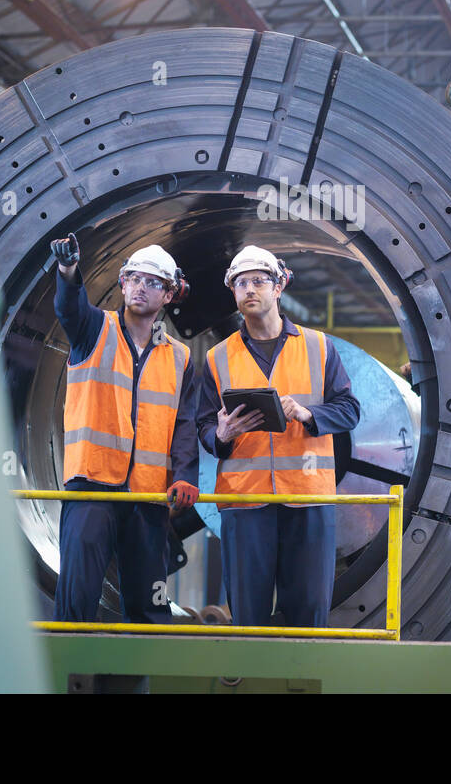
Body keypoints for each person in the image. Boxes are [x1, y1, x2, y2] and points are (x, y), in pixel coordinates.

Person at [198, 245, 360, 627]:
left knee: (307, 611)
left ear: (279, 287)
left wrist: (308, 414)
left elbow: (349, 410)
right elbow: (203, 426)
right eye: (241, 283)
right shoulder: (217, 357)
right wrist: (220, 434)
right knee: (247, 613)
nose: (250, 289)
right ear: (234, 294)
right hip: (245, 501)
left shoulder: (319, 347)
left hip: (306, 500)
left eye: (258, 280)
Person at [50, 234, 199, 624]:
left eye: (152, 283)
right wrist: (67, 271)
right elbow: (69, 309)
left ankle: (141, 682)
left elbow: (185, 425)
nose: (140, 287)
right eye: (134, 278)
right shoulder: (93, 329)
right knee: (77, 597)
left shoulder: (180, 358)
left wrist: (184, 476)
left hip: (148, 499)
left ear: (168, 295)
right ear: (122, 283)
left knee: (150, 604)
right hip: (91, 487)